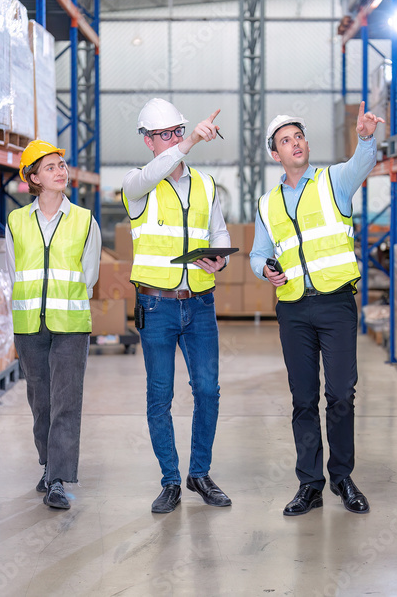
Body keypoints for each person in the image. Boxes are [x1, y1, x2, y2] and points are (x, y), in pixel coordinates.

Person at [249, 102, 384, 516]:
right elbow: (258, 253)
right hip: (293, 310)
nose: (295, 145)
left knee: (341, 394)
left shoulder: (333, 182)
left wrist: (365, 139)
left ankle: (342, 477)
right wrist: (264, 270)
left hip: (336, 304)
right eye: (286, 141)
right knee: (303, 399)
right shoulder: (266, 203)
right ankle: (310, 484)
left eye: (299, 137)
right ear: (276, 154)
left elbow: (362, 164)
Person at [122, 98, 233, 514]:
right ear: (148, 141)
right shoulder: (137, 184)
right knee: (160, 395)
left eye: (176, 133)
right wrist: (186, 145)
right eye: (161, 135)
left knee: (208, 391)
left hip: (200, 303)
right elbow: (156, 171)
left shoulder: (205, 185)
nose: (169, 141)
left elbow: (218, 232)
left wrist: (220, 256)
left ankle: (198, 473)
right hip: (157, 307)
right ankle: (170, 480)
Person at [4, 139, 101, 510]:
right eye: (51, 167)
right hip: (30, 325)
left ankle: (58, 478)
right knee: (40, 402)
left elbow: (89, 273)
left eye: (62, 165)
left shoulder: (83, 219)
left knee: (66, 401)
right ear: (33, 178)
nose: (60, 171)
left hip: (71, 324)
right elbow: (15, 270)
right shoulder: (16, 221)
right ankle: (47, 464)